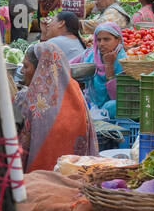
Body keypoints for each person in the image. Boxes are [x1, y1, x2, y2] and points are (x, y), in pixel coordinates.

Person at [16, 42, 97, 173]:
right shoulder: (75, 90)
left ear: (40, 70)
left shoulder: (28, 98)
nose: (21, 71)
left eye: (26, 66)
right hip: (75, 175)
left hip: (39, 178)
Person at [83, 22, 126, 117]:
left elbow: (116, 96)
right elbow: (70, 65)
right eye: (98, 40)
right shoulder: (91, 55)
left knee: (111, 106)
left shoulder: (124, 61)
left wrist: (109, 65)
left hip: (112, 109)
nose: (101, 44)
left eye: (106, 39)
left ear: (118, 40)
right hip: (92, 106)